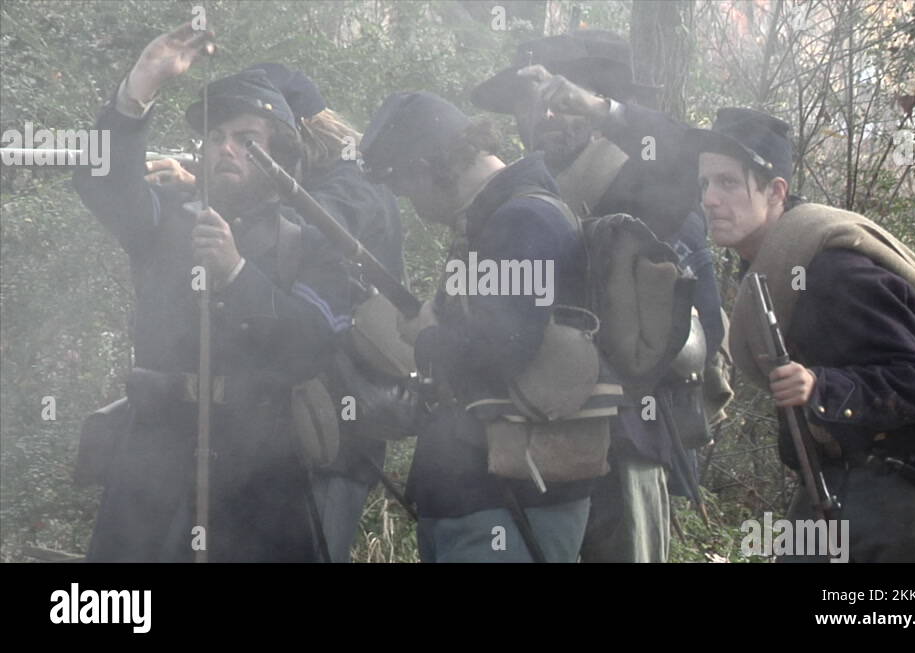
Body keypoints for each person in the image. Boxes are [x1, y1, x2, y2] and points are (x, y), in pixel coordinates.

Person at [74, 25, 349, 562]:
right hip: (154, 456)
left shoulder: (309, 244)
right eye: (217, 135)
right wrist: (140, 88)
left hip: (260, 467)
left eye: (247, 140)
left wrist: (238, 274)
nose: (226, 148)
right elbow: (105, 182)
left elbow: (311, 345)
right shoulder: (162, 222)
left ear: (278, 153)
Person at [685, 107, 915, 561]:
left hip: (906, 493)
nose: (710, 199)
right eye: (705, 184)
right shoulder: (776, 264)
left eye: (728, 183)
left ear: (776, 191)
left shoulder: (834, 270)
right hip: (843, 481)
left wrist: (822, 386)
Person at [471, 30, 730, 562]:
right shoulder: (530, 198)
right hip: (541, 446)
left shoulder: (640, 184)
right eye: (528, 104)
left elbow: (688, 159)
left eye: (559, 103)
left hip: (624, 443)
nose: (539, 118)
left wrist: (605, 110)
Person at [146, 61, 407, 563]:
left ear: (292, 132)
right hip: (307, 411)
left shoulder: (345, 188)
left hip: (334, 410)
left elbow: (292, 239)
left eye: (249, 139)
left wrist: (203, 186)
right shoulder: (336, 179)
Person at [359, 91, 599, 562]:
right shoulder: (499, 219)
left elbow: (504, 350)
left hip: (508, 498)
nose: (413, 202)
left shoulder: (522, 219)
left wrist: (427, 335)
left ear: (431, 164)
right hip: (481, 492)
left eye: (408, 183)